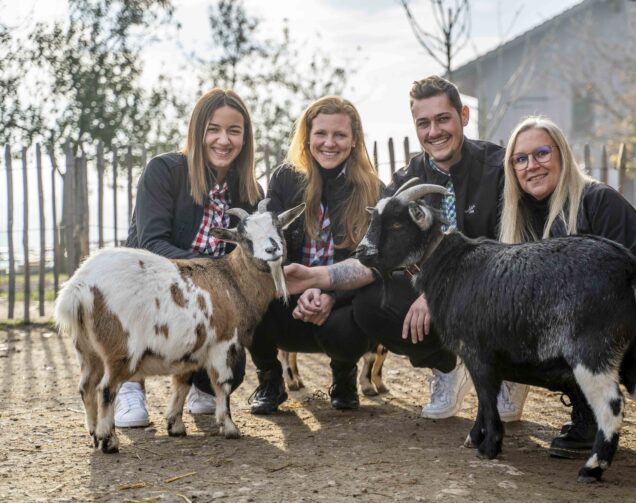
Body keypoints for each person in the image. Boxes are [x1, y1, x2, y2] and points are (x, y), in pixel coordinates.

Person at [283, 75, 527, 422]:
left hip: (498, 288)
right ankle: (447, 364)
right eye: (423, 123)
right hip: (442, 298)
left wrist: (439, 287)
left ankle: (509, 370)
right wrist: (316, 277)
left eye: (443, 119)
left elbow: (519, 249)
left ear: (464, 116)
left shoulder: (500, 168)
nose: (434, 131)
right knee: (371, 304)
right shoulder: (403, 182)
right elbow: (373, 258)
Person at [498, 115, 636, 458]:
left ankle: (594, 414)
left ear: (562, 154)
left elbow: (630, 291)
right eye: (520, 159)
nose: (531, 165)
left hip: (633, 327)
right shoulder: (520, 218)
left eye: (541, 153)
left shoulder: (601, 202)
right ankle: (584, 401)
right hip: (570, 328)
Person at [117, 87, 262, 428]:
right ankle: (128, 384)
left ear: (245, 138)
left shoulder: (251, 194)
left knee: (234, 364)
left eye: (234, 131)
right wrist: (216, 274)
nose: (223, 140)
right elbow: (151, 244)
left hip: (208, 301)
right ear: (197, 132)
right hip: (152, 285)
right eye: (213, 129)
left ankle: (201, 387)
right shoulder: (164, 171)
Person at [247, 96, 382, 414]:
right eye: (321, 133)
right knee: (249, 295)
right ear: (307, 137)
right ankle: (270, 380)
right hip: (288, 301)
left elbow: (373, 262)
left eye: (340, 135)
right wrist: (298, 290)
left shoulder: (373, 189)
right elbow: (270, 245)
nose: (329, 143)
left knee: (360, 313)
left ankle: (344, 376)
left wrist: (331, 295)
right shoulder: (284, 179)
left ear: (354, 140)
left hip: (338, 309)